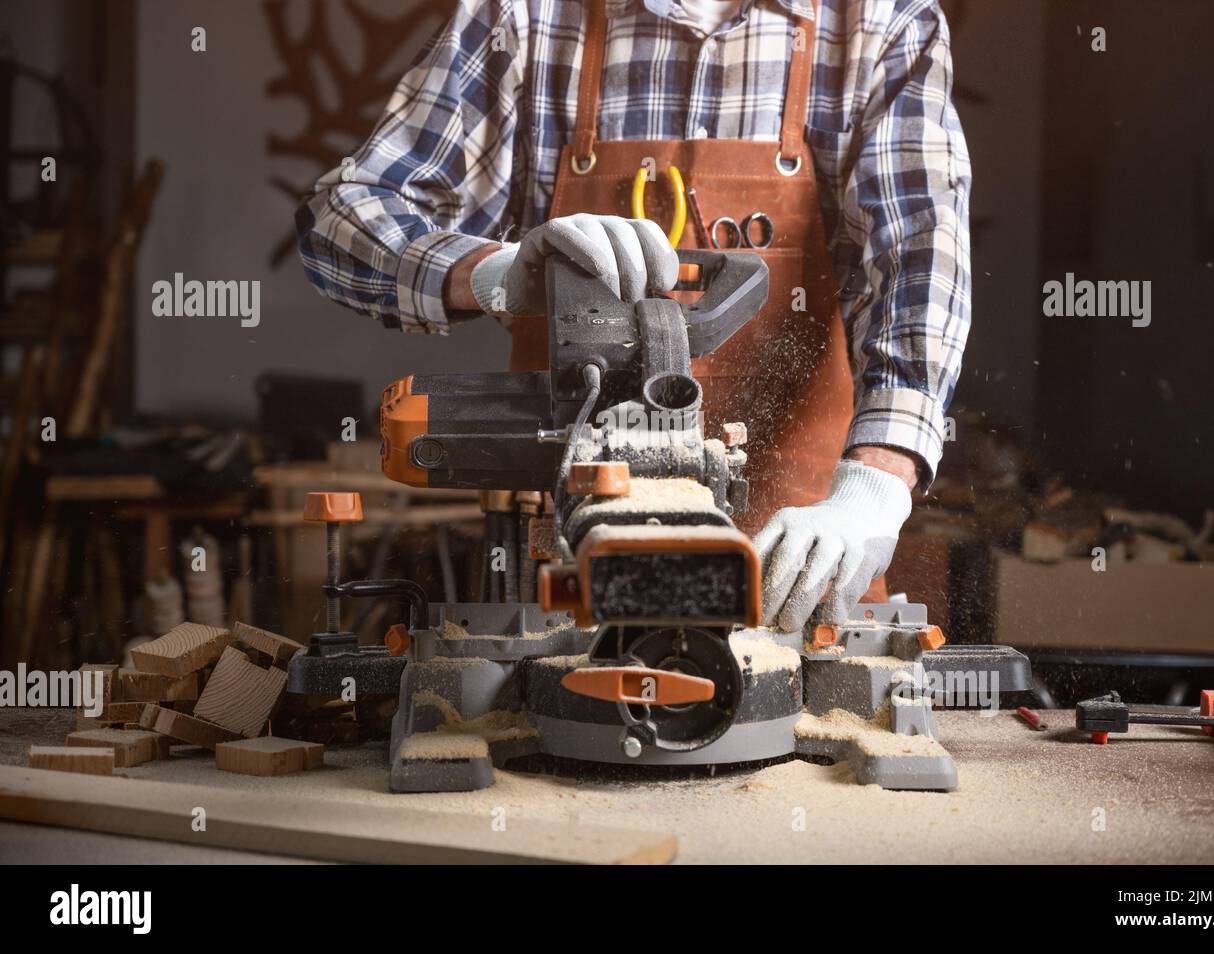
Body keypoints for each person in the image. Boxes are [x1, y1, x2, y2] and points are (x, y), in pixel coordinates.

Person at [296, 0, 971, 632]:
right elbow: (339, 221)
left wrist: (874, 487)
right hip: (569, 579)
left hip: (795, 573)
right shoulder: (530, 16)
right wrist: (495, 272)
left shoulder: (880, 20)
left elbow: (921, 254)